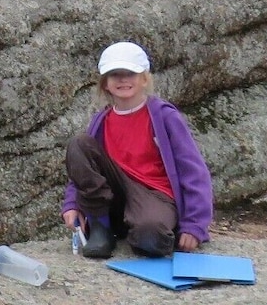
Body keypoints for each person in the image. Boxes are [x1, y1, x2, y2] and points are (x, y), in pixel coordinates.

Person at [60, 41, 216, 259]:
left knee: (151, 239)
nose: (123, 79)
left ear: (144, 78)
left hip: (155, 194)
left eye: (130, 73)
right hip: (114, 195)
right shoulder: (101, 120)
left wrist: (194, 225)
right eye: (115, 74)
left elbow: (193, 170)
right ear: (105, 83)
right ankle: (101, 227)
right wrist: (71, 204)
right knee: (79, 144)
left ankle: (138, 228)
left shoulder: (164, 116)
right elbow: (83, 170)